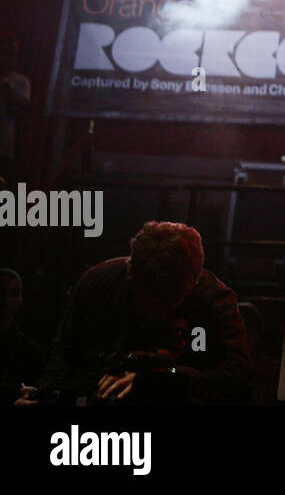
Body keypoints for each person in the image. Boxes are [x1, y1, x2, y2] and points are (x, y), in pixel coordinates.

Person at [15, 221, 250, 405]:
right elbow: (62, 358)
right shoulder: (97, 284)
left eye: (170, 301)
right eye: (151, 299)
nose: (158, 312)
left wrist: (160, 380)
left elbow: (237, 378)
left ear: (194, 283)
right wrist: (42, 395)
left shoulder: (216, 301)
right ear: (132, 275)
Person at [0, 268, 45, 404]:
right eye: (1, 291)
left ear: (21, 300)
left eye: (13, 293)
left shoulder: (29, 351)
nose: (5, 298)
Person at [0, 33, 31, 190]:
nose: (8, 58)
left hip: (4, 146)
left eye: (12, 55)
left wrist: (7, 88)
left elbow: (21, 110)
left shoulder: (20, 81)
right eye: (4, 53)